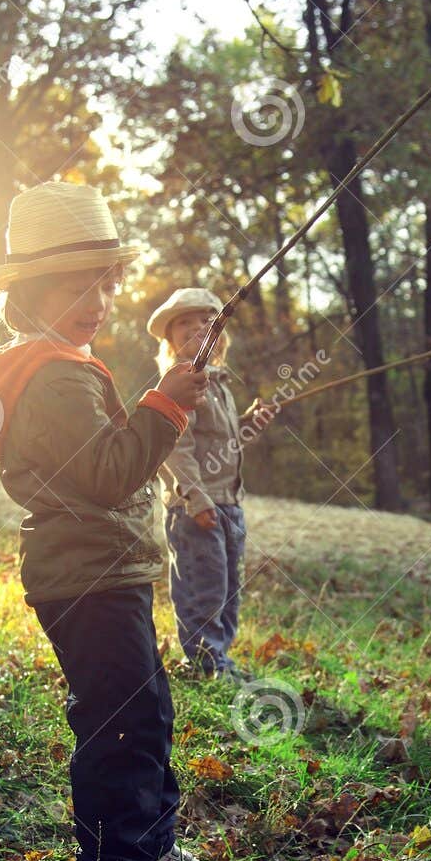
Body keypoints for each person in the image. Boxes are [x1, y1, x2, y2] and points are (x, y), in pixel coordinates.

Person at [0, 181, 225, 861]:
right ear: (32, 293)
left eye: (105, 283)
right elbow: (109, 473)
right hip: (88, 582)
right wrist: (166, 402)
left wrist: (166, 399)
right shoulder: (56, 376)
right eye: (77, 285)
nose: (98, 300)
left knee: (147, 713)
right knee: (120, 727)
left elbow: (102, 452)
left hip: (105, 577)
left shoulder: (60, 365)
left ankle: (151, 848)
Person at [147, 289, 248, 680]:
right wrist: (197, 498)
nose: (198, 329)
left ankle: (220, 659)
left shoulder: (218, 383)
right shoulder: (181, 383)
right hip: (196, 507)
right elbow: (176, 447)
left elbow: (224, 442)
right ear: (170, 340)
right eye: (185, 324)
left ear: (221, 333)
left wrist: (252, 421)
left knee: (227, 587)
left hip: (229, 502)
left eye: (207, 321)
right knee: (202, 588)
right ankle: (204, 664)